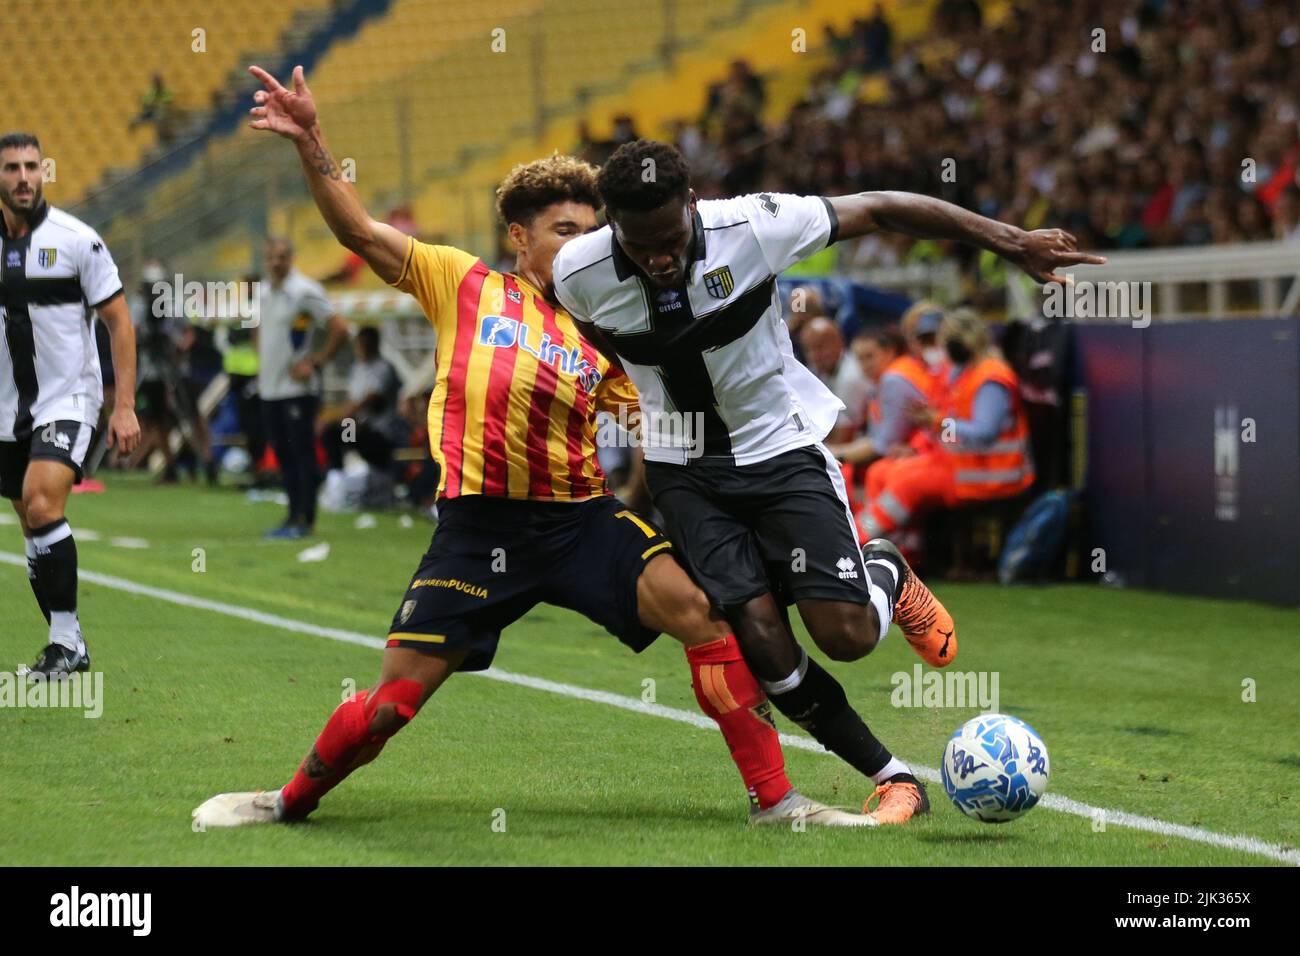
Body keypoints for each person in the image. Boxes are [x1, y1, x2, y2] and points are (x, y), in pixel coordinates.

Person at [193, 65, 874, 830]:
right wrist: (313, 141)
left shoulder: (611, 334)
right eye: (565, 232)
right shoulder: (462, 282)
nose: (585, 247)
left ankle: (777, 803)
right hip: (476, 528)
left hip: (581, 520)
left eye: (594, 233)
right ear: (520, 238)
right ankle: (287, 800)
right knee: (392, 706)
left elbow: (664, 431)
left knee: (703, 617)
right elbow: (358, 232)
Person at [552, 140, 1102, 821]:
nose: (659, 259)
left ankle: (888, 573)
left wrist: (1008, 239)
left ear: (691, 206)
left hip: (781, 447)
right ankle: (894, 776)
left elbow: (881, 207)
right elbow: (603, 343)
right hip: (686, 467)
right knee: (761, 641)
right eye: (640, 248)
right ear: (614, 230)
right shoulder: (579, 271)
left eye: (669, 239)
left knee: (845, 636)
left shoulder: (752, 225)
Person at [0, 132, 141, 677]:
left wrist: (122, 404)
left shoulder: (77, 240)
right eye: (11, 168)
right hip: (9, 411)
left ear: (44, 173)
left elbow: (119, 320)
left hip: (68, 400)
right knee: (29, 521)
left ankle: (65, 643)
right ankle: (69, 641)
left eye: (32, 166)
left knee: (40, 504)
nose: (23, 177)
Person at [860, 308, 1036, 541]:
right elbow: (950, 430)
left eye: (944, 342)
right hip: (961, 465)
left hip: (990, 475)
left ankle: (858, 542)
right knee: (880, 471)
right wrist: (921, 444)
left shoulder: (991, 377)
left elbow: (983, 434)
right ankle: (898, 551)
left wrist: (938, 422)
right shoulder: (963, 374)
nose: (941, 349)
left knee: (906, 482)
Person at [257, 236, 349, 538]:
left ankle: (306, 519)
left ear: (291, 258)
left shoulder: (304, 291)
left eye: (281, 256)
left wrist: (316, 362)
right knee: (284, 455)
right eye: (271, 257)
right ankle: (292, 515)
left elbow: (339, 328)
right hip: (270, 388)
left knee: (301, 454)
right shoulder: (264, 293)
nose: (276, 263)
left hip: (297, 390)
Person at [318, 325, 407, 475]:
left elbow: (371, 400)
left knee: (342, 434)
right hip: (357, 427)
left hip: (380, 431)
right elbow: (350, 400)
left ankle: (349, 473)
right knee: (333, 433)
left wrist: (344, 416)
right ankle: (338, 476)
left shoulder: (383, 368)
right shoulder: (357, 369)